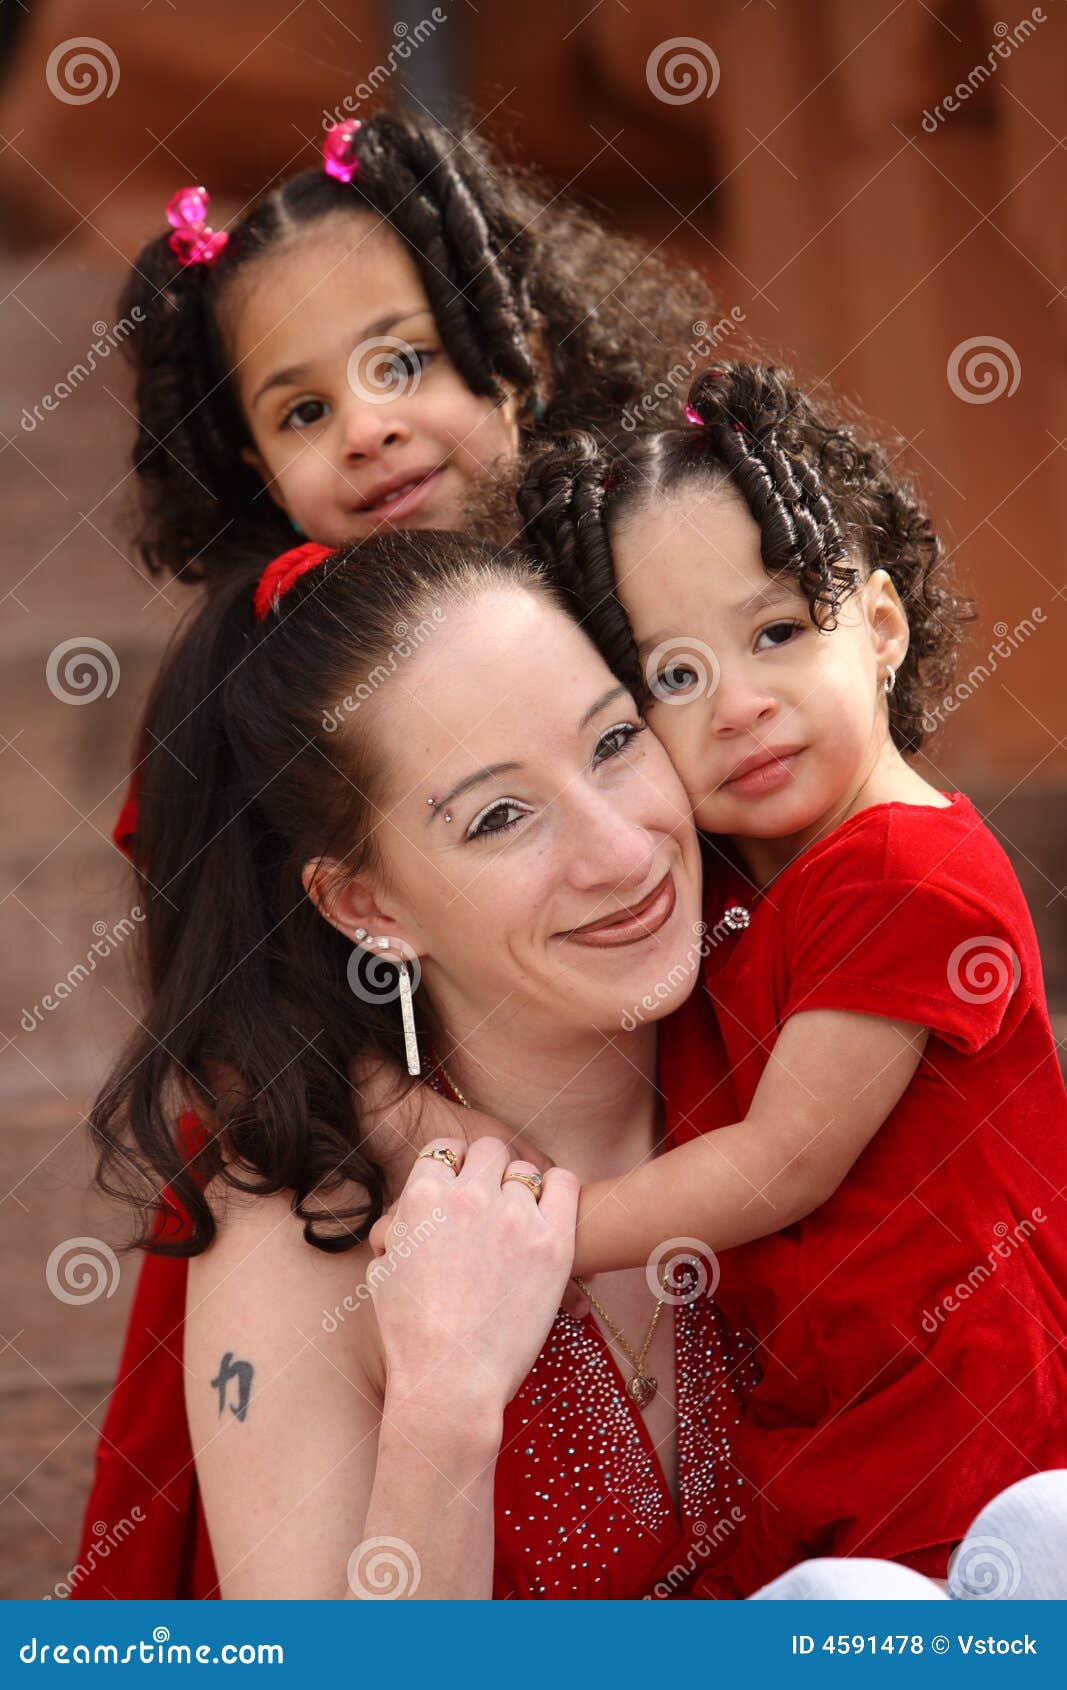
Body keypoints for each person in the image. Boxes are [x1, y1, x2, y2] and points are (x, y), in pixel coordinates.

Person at [74, 528, 759, 1599]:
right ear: (368, 904)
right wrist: (442, 1410)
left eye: (614, 743)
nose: (623, 851)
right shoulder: (304, 1241)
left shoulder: (810, 1071)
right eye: (497, 816)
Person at [476, 359, 1067, 1594]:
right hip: (811, 1406)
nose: (737, 704)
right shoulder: (729, 891)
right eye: (672, 677)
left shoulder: (908, 870)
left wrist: (547, 1234)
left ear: (884, 629)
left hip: (956, 1404)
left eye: (778, 633)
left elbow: (782, 1156)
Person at [110, 101, 720, 855]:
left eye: (402, 363)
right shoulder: (267, 705)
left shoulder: (672, 555)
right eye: (303, 413)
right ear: (262, 475)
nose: (365, 432)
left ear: (517, 354)